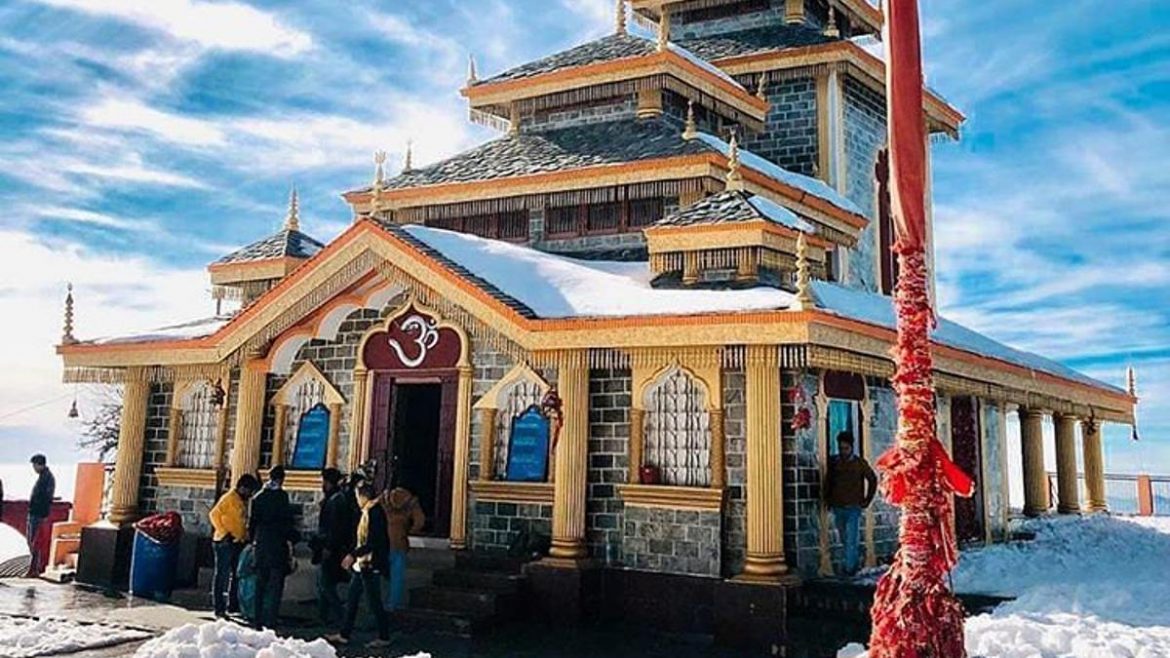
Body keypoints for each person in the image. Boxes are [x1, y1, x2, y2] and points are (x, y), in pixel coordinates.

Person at [327, 482, 391, 649]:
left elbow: (373, 542)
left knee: (374, 601)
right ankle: (344, 633)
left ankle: (384, 635)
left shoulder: (375, 513)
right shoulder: (366, 512)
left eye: (357, 496)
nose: (356, 500)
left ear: (363, 496)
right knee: (352, 599)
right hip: (361, 564)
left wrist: (353, 555)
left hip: (370, 563)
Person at [248, 465, 298, 629]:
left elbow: (252, 523)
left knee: (260, 585)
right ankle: (271, 619)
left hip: (261, 545)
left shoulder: (257, 497)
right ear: (281, 479)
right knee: (275, 587)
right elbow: (286, 522)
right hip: (277, 546)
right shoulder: (281, 497)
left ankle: (257, 619)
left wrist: (253, 541)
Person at [823, 432, 877, 577]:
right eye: (841, 448)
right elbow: (828, 482)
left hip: (854, 506)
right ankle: (852, 562)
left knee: (851, 538)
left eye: (846, 448)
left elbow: (872, 479)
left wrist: (867, 499)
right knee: (844, 538)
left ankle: (849, 569)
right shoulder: (835, 462)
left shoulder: (859, 463)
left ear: (851, 447)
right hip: (838, 505)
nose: (843, 451)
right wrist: (827, 499)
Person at [209, 474, 259, 618]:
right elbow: (213, 515)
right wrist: (224, 533)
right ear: (242, 488)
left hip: (237, 542)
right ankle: (219, 608)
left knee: (236, 574)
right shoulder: (229, 498)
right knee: (222, 575)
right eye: (249, 491)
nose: (250, 495)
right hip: (224, 542)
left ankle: (233, 605)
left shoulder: (241, 501)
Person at [312, 468, 354, 625]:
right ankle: (322, 616)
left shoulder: (336, 501)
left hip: (331, 548)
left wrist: (328, 547)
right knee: (324, 582)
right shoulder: (335, 499)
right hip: (330, 546)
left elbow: (334, 528)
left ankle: (341, 615)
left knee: (325, 584)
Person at [382, 481, 425, 611]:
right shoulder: (411, 502)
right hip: (399, 542)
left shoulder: (384, 499)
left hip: (383, 541)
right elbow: (420, 521)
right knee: (397, 575)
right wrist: (409, 531)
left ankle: (378, 601)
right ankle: (394, 603)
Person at [27, 455, 55, 574]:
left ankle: (34, 569)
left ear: (40, 464)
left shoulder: (47, 478)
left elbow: (47, 496)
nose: (34, 468)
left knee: (34, 542)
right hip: (35, 512)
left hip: (38, 514)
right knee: (32, 541)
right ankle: (33, 568)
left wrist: (39, 509)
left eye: (35, 465)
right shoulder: (43, 477)